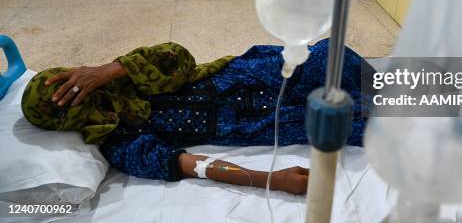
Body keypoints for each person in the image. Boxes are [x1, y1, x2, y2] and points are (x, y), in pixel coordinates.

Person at [21, 39, 365, 195]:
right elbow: (186, 163)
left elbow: (179, 58)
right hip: (253, 121)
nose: (82, 90)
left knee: (332, 58)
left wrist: (109, 70)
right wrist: (270, 179)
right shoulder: (118, 143)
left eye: (74, 81)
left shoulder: (127, 73)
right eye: (71, 98)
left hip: (248, 75)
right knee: (356, 121)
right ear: (65, 120)